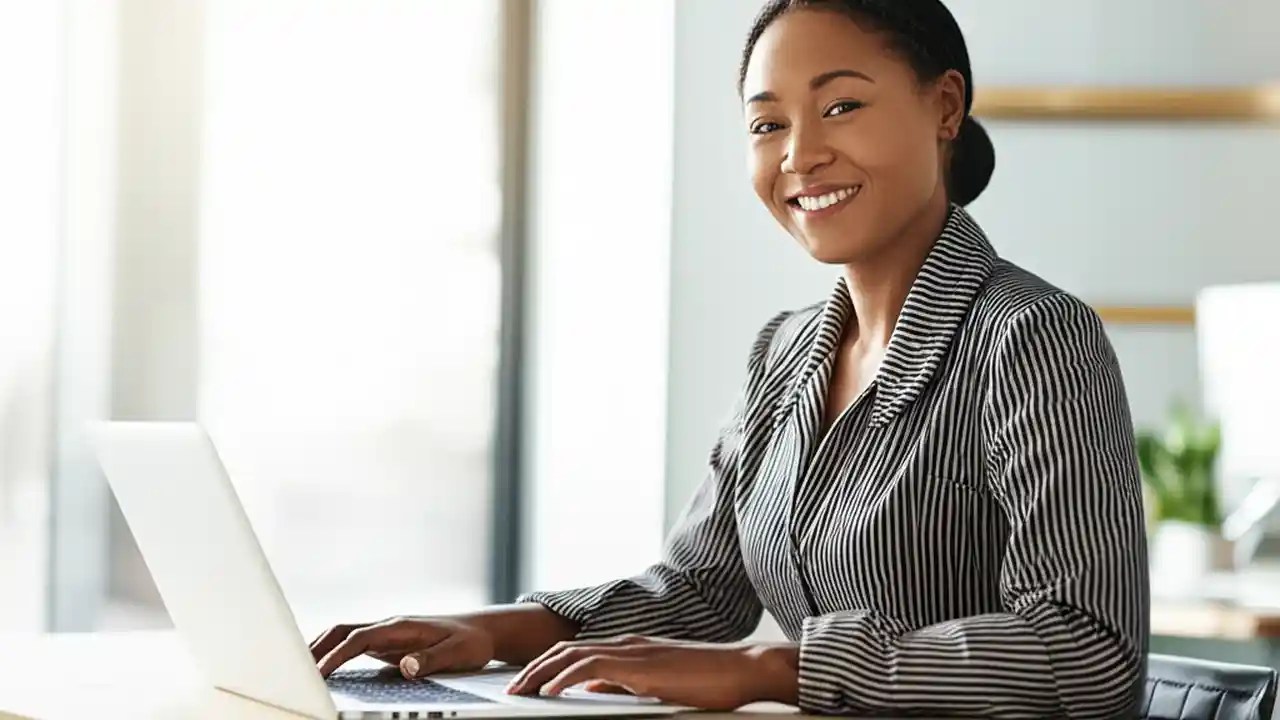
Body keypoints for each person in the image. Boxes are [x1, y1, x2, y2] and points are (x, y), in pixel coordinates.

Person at [309, 0, 1149, 716]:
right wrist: (498, 629)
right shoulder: (783, 354)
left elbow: (1088, 649)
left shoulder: (1031, 338)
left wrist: (776, 667)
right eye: (766, 123)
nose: (799, 154)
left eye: (842, 107)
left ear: (944, 106)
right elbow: (702, 590)